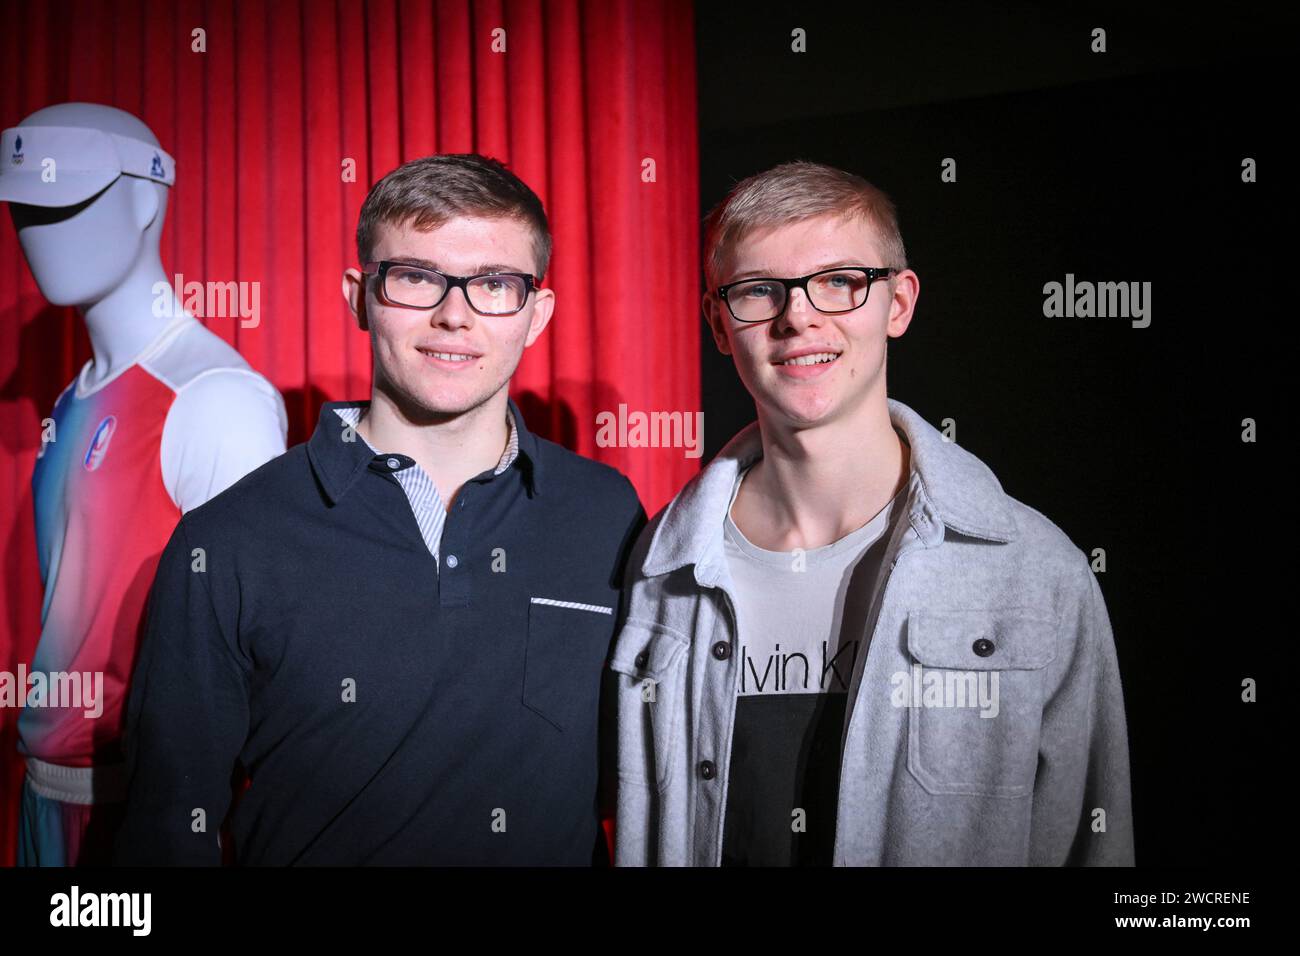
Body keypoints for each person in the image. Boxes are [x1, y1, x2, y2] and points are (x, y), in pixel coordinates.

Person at [114, 153, 645, 865]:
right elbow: (163, 836)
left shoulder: (607, 515)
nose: (454, 315)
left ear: (535, 312)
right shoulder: (228, 540)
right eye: (417, 278)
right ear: (360, 295)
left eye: (493, 284)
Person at [610, 160, 1134, 866]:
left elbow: (1095, 848)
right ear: (717, 322)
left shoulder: (1037, 574)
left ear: (899, 302)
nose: (799, 317)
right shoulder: (660, 568)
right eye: (760, 290)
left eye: (838, 282)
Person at [0, 103, 286, 866]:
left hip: (137, 810)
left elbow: (251, 653)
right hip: (44, 792)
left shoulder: (213, 396)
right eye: (25, 208)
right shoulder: (73, 397)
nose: (38, 231)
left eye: (67, 203)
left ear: (146, 199)